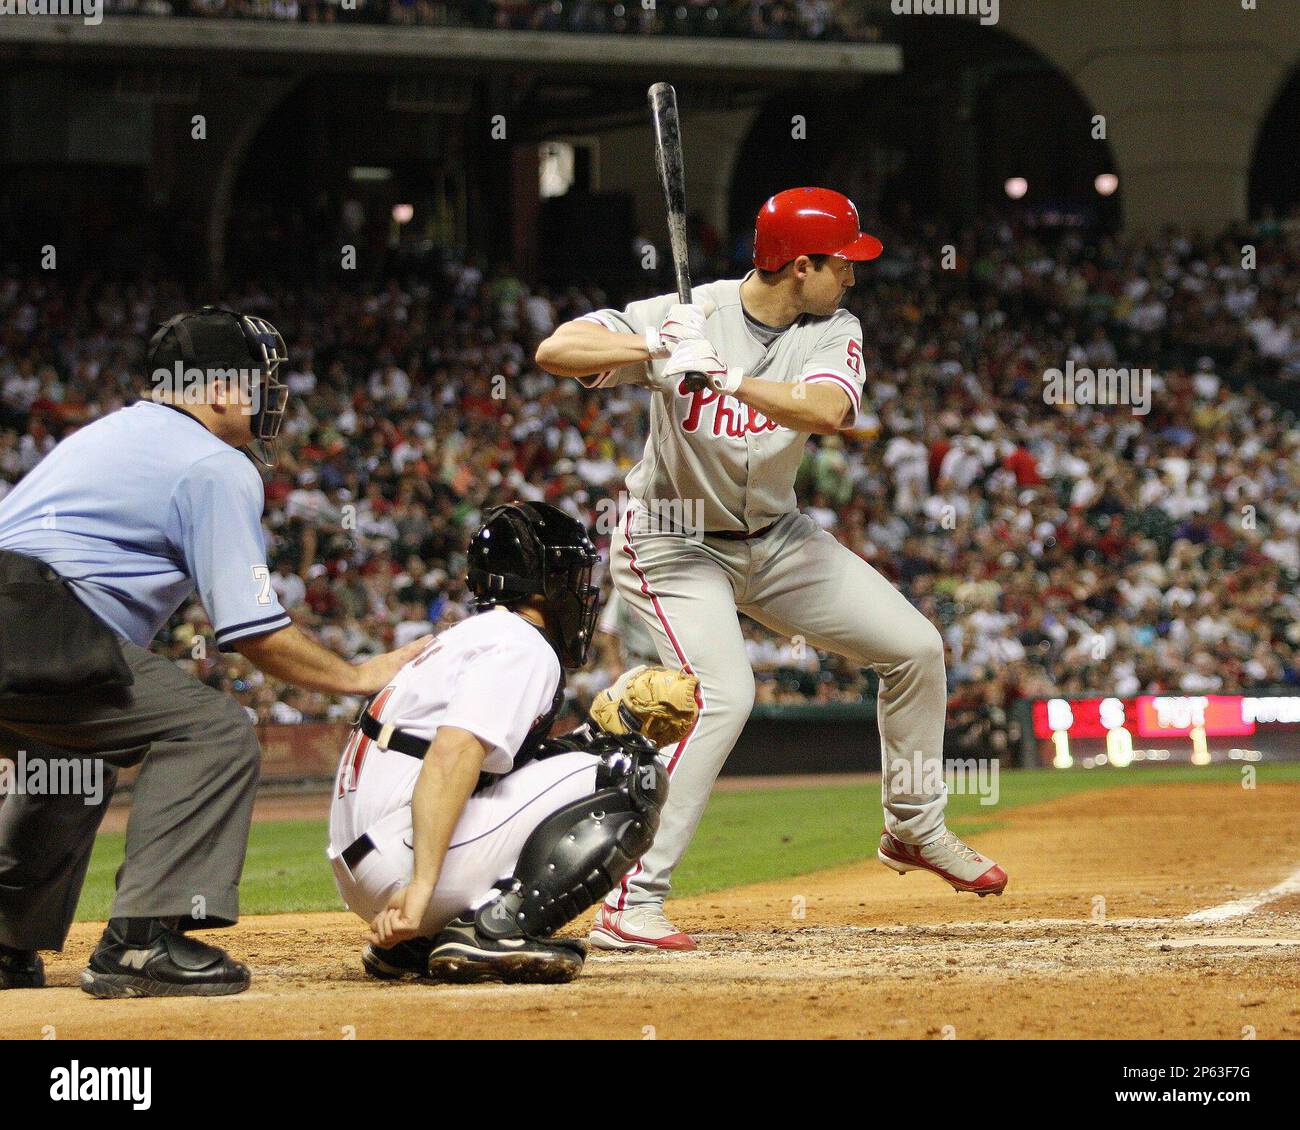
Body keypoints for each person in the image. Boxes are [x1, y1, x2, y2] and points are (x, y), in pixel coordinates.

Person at [535, 187, 1008, 952]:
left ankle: (914, 828)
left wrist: (722, 377)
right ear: (798, 265)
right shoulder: (689, 313)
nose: (852, 277)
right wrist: (655, 350)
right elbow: (556, 351)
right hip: (674, 538)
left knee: (916, 648)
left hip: (776, 535)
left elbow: (825, 412)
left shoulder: (834, 328)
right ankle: (633, 898)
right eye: (841, 263)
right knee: (722, 694)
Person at [0, 307, 427, 997]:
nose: (268, 398)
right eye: (261, 382)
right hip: (32, 619)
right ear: (226, 391)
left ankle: (4, 939)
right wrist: (354, 674)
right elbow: (253, 632)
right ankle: (142, 942)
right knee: (214, 732)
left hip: (26, 620)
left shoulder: (112, 434)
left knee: (76, 755)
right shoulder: (213, 463)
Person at [328, 502, 684, 983]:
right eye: (570, 574)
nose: (580, 590)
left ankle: (418, 943)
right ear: (544, 581)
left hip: (372, 856)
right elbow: (452, 755)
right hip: (403, 862)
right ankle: (496, 932)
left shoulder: (474, 636)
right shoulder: (520, 644)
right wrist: (421, 886)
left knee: (603, 752)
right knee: (630, 771)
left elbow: (496, 768)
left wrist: (596, 733)